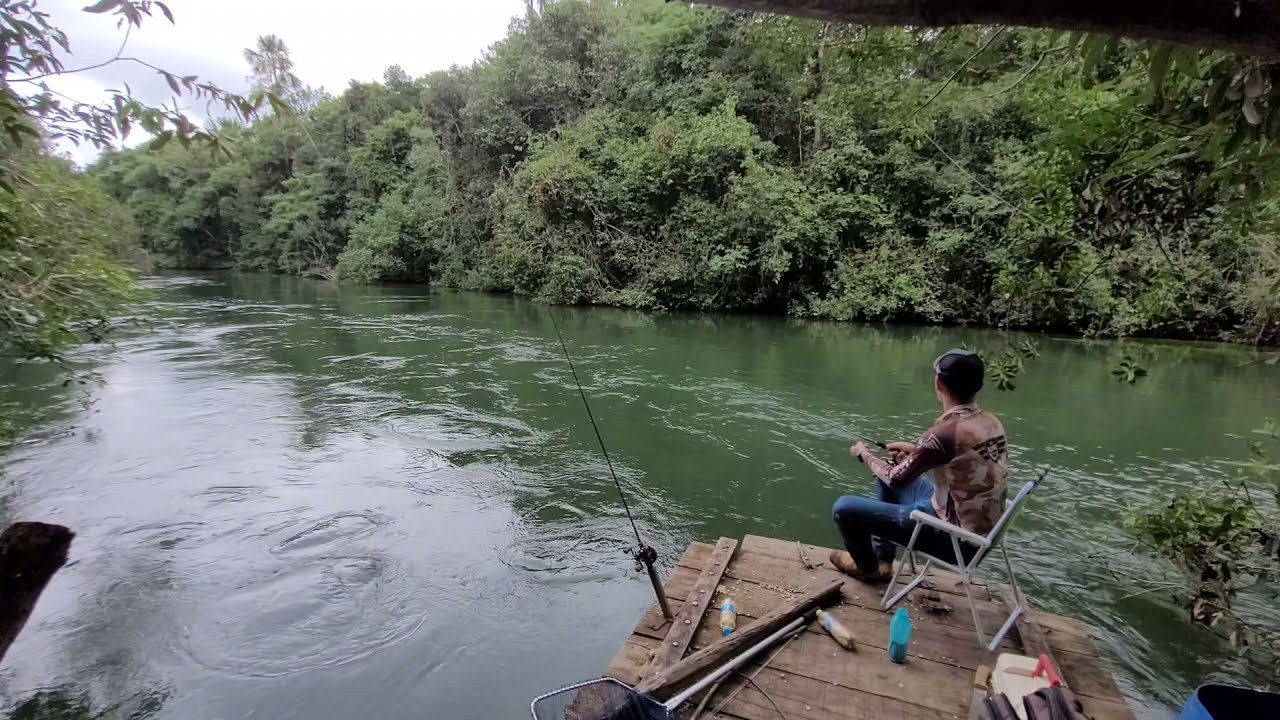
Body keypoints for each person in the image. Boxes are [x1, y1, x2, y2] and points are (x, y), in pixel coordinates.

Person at [830, 348, 1009, 582]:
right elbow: (963, 461)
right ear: (978, 385)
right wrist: (916, 454)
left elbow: (895, 477)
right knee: (885, 480)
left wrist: (864, 454)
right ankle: (884, 560)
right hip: (982, 534)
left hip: (956, 541)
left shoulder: (944, 433)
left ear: (938, 383)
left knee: (844, 509)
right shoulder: (989, 421)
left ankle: (867, 568)